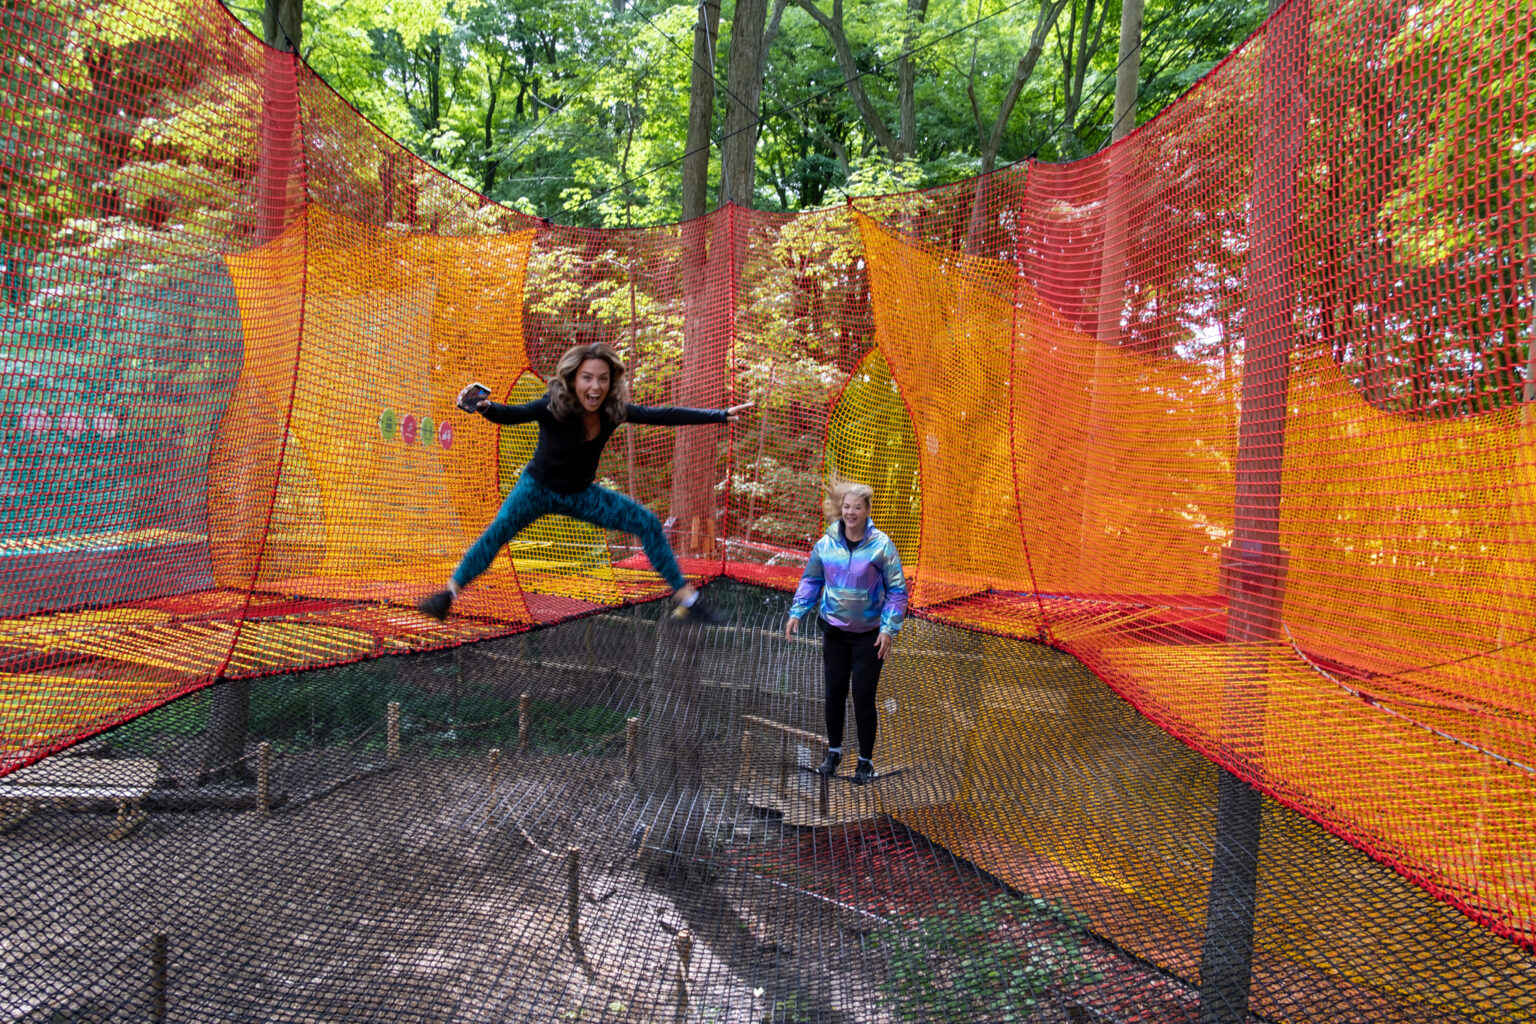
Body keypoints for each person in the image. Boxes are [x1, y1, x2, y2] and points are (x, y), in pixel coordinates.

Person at [418, 342, 749, 623]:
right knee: (497, 534)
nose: (596, 387)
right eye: (588, 378)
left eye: (603, 379)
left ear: (611, 382)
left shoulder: (612, 411)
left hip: (580, 494)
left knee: (646, 522)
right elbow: (511, 414)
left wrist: (719, 416)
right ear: (573, 379)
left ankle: (687, 599)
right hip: (536, 490)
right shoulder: (552, 406)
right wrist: (485, 407)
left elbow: (661, 415)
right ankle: (449, 594)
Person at [784, 477, 907, 785]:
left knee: (863, 696)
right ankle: (834, 753)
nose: (851, 512)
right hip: (835, 632)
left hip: (869, 635)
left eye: (857, 508)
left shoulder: (881, 545)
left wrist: (888, 629)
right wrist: (797, 612)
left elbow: (897, 591)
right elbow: (811, 581)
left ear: (867, 511)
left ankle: (865, 762)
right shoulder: (826, 544)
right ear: (841, 510)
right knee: (834, 694)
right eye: (846, 507)